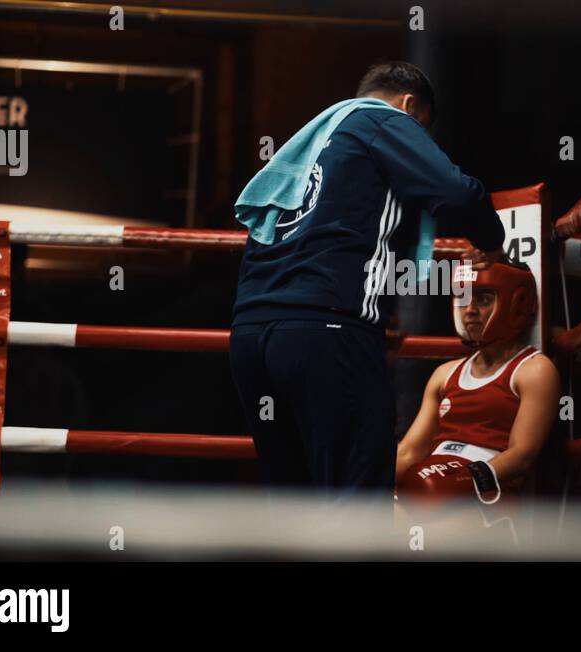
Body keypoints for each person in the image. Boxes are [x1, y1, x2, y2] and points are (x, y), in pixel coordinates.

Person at [229, 61, 505, 498]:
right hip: (327, 329)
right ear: (409, 105)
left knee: (292, 505)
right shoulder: (384, 120)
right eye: (422, 130)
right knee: (354, 503)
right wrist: (493, 240)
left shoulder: (313, 141)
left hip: (252, 334)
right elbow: (457, 193)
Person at [395, 260, 561, 519]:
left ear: (516, 304)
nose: (469, 310)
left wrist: (464, 479)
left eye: (483, 299)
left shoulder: (534, 370)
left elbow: (522, 455)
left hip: (488, 493)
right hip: (429, 482)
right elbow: (409, 451)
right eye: (464, 298)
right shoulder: (445, 374)